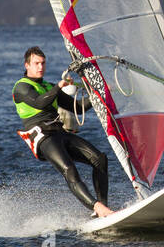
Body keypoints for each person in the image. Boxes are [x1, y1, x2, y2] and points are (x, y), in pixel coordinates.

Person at [13, 46, 115, 217]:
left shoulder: (48, 86)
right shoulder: (21, 87)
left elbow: (79, 107)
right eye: (36, 63)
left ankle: (103, 209)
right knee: (69, 169)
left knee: (100, 159)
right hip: (43, 138)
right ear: (27, 65)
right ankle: (96, 207)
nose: (40, 67)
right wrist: (59, 86)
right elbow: (39, 103)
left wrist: (100, 94)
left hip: (60, 133)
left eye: (43, 63)